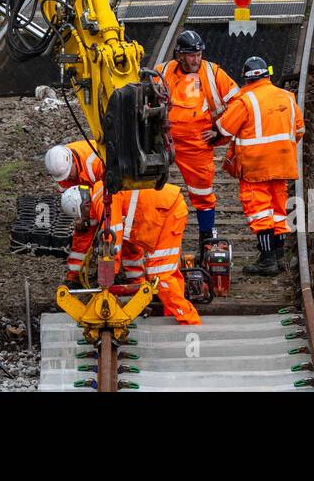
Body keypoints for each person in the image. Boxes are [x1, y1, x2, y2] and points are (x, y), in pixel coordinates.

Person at [212, 56, 303, 276]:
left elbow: (223, 130)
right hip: (282, 163)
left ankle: (267, 260)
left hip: (255, 166)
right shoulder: (288, 97)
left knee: (260, 211)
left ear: (246, 79)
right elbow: (299, 130)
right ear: (267, 75)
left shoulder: (245, 101)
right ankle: (280, 257)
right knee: (279, 210)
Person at [155, 30, 238, 248]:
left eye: (199, 54)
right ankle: (152, 232)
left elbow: (238, 103)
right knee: (150, 186)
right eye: (191, 55)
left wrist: (220, 131)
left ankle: (206, 236)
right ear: (180, 55)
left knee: (202, 191)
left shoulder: (212, 73)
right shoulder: (163, 71)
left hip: (197, 143)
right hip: (163, 140)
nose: (196, 59)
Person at [109, 183, 200, 324]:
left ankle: (190, 321)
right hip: (167, 208)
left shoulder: (105, 198)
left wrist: (109, 273)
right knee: (169, 272)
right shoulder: (106, 190)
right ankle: (170, 313)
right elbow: (128, 247)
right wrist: (139, 287)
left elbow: (113, 237)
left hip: (167, 212)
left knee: (160, 275)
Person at [46, 141, 106, 282]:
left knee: (110, 231)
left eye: (68, 174)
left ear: (72, 160)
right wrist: (80, 217)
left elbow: (111, 198)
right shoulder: (61, 169)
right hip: (88, 194)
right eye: (64, 177)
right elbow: (70, 198)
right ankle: (75, 276)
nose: (67, 178)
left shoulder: (97, 162)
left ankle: (112, 273)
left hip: (105, 190)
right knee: (83, 230)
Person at [60, 179, 106, 282]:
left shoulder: (102, 203)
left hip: (135, 225)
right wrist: (73, 278)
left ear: (85, 206)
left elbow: (113, 241)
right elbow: (80, 244)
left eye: (81, 216)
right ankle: (75, 277)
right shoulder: (91, 204)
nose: (81, 220)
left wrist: (108, 277)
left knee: (107, 245)